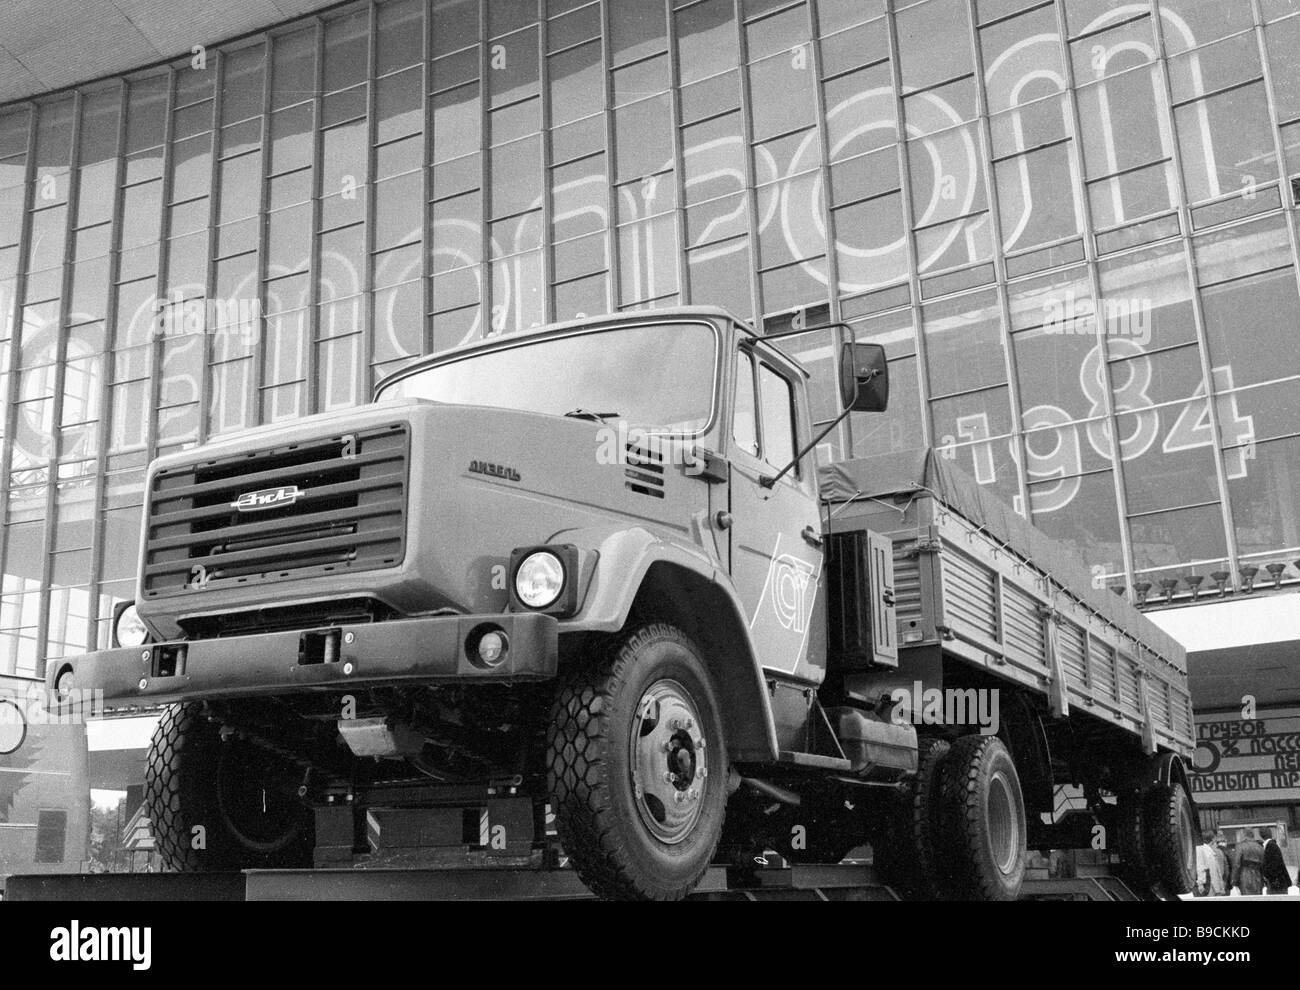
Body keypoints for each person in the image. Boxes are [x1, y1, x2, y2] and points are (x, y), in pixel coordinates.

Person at [1232, 829, 1265, 895]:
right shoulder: (1260, 847)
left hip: (1245, 875)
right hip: (1258, 876)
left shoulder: (1240, 846)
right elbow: (1263, 864)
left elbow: (1237, 864)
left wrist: (1234, 880)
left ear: (1244, 835)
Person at [1260, 827, 1290, 895]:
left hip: (1276, 883)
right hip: (1278, 882)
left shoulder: (1270, 846)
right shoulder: (1273, 845)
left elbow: (1274, 865)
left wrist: (1266, 875)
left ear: (1261, 835)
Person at [1196, 830, 1226, 896]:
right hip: (1208, 886)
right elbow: (1201, 868)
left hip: (1209, 885)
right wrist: (1218, 889)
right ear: (1213, 839)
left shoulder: (1205, 850)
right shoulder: (1204, 851)